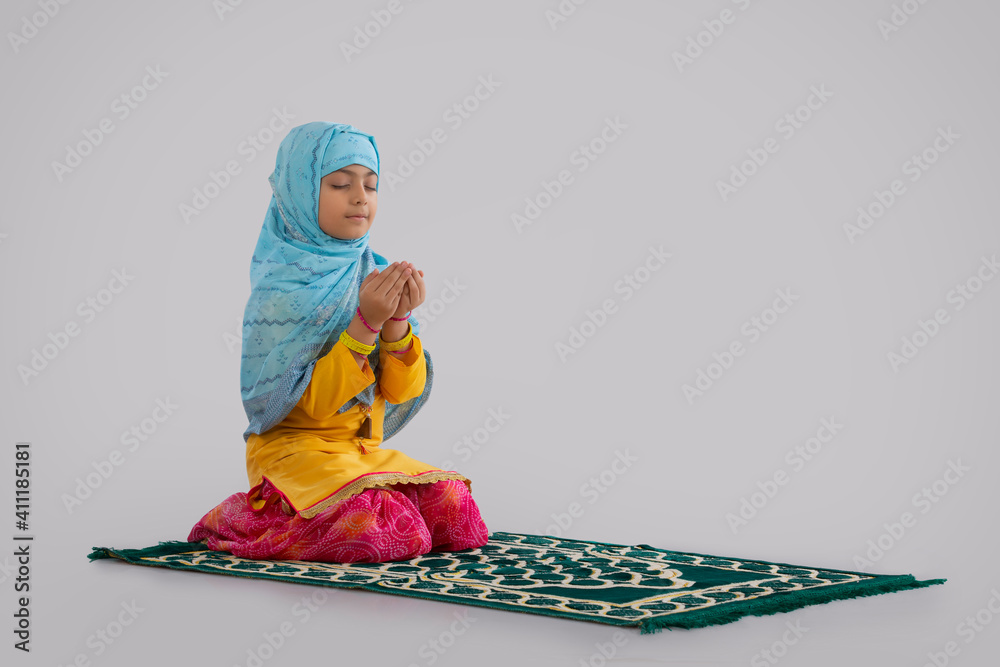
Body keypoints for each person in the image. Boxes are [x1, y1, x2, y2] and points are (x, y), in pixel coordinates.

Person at [186, 122, 489, 563]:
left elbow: (402, 392)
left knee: (456, 512)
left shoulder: (375, 272)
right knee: (377, 532)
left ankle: (354, 503)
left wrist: (397, 322)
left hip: (358, 453)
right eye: (340, 184)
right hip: (294, 452)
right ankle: (244, 518)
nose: (360, 197)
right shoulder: (281, 292)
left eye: (371, 184)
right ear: (300, 193)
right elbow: (306, 406)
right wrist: (365, 323)